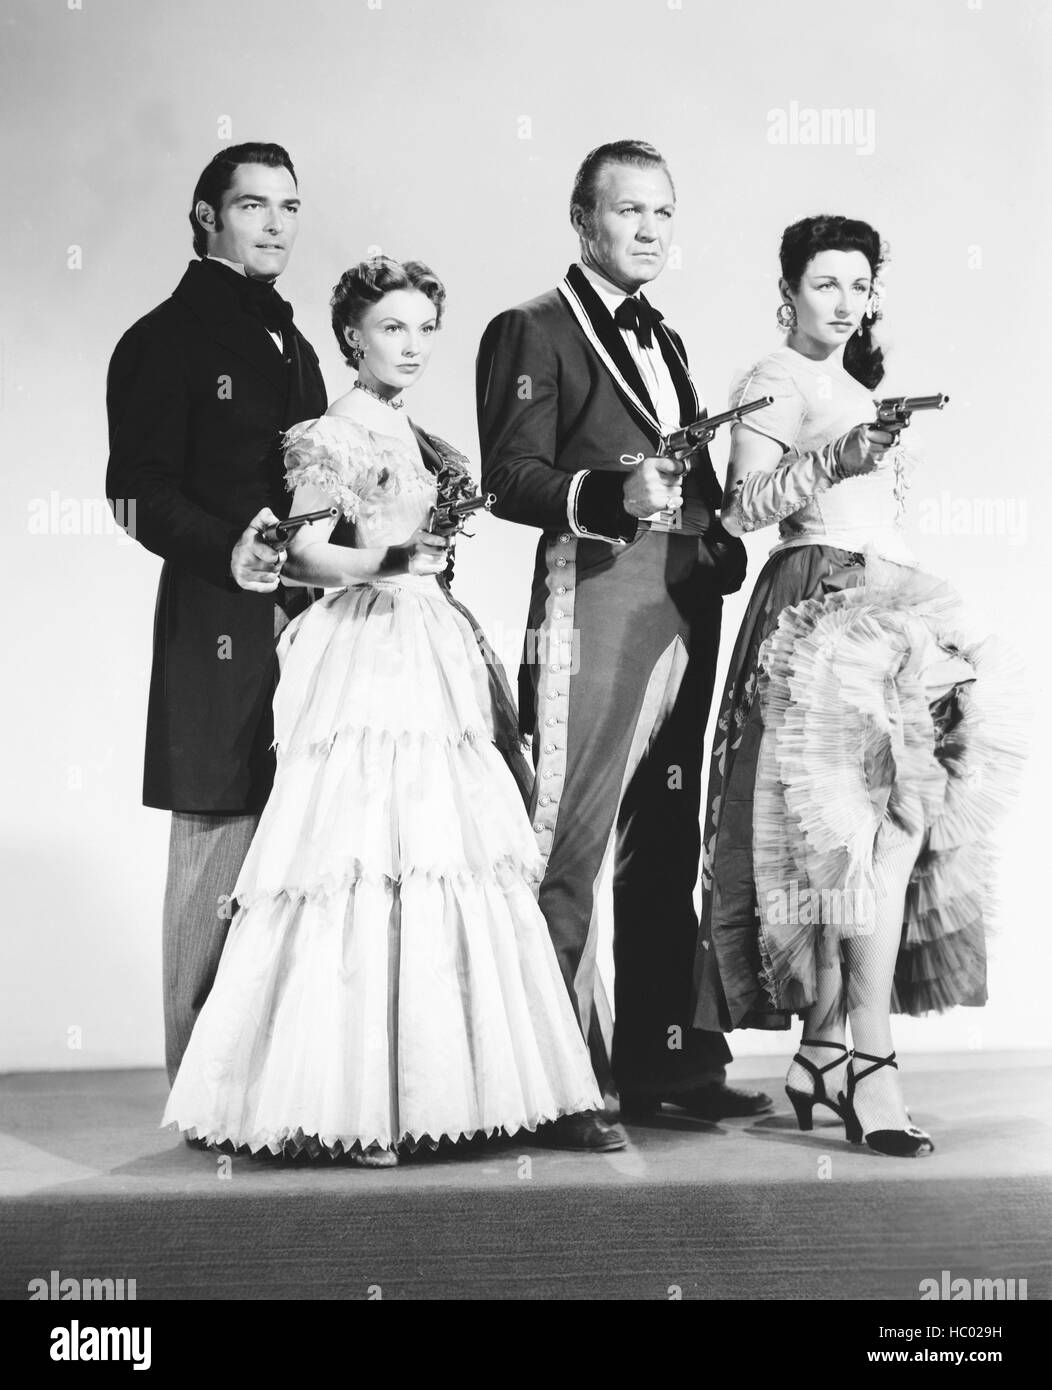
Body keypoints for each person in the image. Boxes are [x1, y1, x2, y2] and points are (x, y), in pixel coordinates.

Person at [162, 257, 603, 1165]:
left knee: (450, 852)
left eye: (424, 329)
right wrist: (396, 562)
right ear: (353, 338)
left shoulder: (413, 432)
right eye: (392, 328)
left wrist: (420, 565)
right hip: (368, 645)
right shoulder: (333, 431)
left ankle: (460, 1088)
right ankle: (356, 1103)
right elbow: (304, 554)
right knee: (360, 856)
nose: (411, 345)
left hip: (429, 641)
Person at [691, 215, 1024, 1156]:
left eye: (858, 285)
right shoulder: (774, 378)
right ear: (788, 292)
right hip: (817, 602)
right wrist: (838, 457)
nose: (843, 301)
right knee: (854, 839)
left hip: (890, 607)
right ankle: (867, 1060)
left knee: (896, 829)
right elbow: (742, 507)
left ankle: (823, 1052)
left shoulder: (855, 386)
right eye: (825, 283)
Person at [476, 139, 772, 1151]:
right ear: (580, 218)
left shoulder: (670, 338)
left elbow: (688, 481)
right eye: (627, 211)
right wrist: (608, 494)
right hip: (592, 599)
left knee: (664, 846)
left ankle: (660, 1062)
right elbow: (507, 477)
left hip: (681, 602)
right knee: (568, 837)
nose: (648, 230)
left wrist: (718, 531)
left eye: (661, 213)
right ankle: (553, 1076)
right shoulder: (529, 329)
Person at [106, 143, 327, 1093]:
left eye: (288, 206)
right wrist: (225, 549)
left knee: (302, 843)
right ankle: (200, 1091)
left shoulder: (298, 341)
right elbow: (133, 491)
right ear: (206, 216)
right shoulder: (161, 337)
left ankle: (279, 1084)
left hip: (314, 620)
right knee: (215, 842)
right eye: (251, 206)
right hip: (215, 621)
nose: (274, 223)